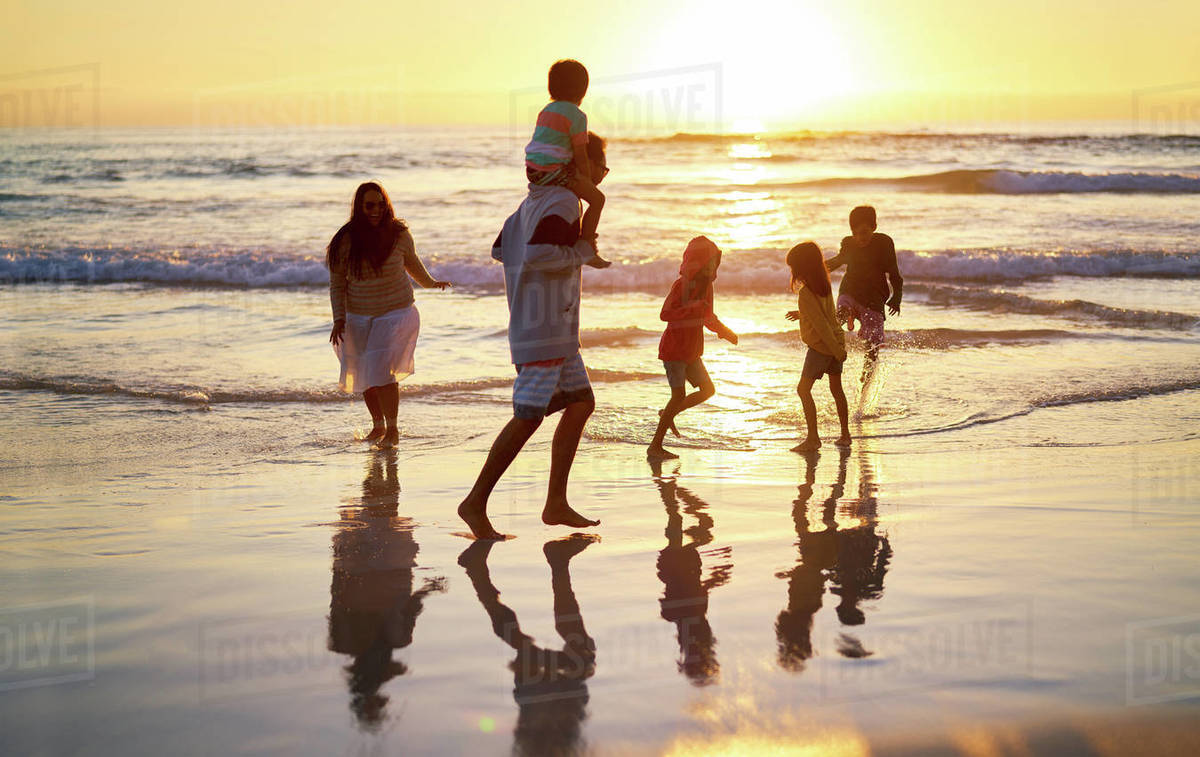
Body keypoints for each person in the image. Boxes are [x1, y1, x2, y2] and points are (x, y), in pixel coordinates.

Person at [456, 134, 612, 540]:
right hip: (544, 331)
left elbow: (500, 250)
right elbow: (540, 253)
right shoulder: (564, 202)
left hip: (551, 330)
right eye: (601, 166)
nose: (603, 174)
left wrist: (562, 254)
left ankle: (555, 502)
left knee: (581, 403)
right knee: (527, 416)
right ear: (581, 167)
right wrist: (580, 252)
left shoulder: (531, 203)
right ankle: (474, 501)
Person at [327, 182, 451, 448]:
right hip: (358, 315)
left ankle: (393, 430)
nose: (376, 210)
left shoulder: (399, 234)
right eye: (369, 205)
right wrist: (339, 319)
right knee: (364, 375)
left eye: (381, 204)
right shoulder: (345, 240)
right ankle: (378, 426)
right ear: (359, 207)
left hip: (394, 313)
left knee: (382, 371)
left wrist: (431, 283)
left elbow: (412, 264)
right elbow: (337, 284)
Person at [646, 236, 738, 460]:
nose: (713, 266)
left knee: (708, 390)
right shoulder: (681, 285)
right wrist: (692, 308)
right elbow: (665, 314)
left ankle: (668, 412)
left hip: (692, 351)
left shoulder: (707, 287)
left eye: (715, 262)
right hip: (674, 350)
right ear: (696, 262)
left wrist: (725, 331)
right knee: (678, 395)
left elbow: (708, 316)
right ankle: (655, 446)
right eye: (709, 261)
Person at [524, 59, 607, 262]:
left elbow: (548, 145)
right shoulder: (577, 116)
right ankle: (587, 244)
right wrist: (585, 178)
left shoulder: (546, 111)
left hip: (533, 171)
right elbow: (580, 153)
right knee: (598, 200)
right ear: (582, 91)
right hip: (552, 171)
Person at [824, 205, 903, 383]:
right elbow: (837, 261)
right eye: (855, 233)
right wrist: (815, 269)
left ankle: (867, 376)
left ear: (874, 227)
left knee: (872, 345)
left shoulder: (884, 243)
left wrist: (896, 297)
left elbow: (894, 274)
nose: (860, 237)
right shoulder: (848, 243)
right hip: (850, 290)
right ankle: (829, 350)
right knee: (840, 315)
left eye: (864, 232)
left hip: (874, 297)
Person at [785, 242, 850, 452]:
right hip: (836, 341)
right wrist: (802, 314)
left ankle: (813, 438)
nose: (792, 271)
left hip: (822, 347)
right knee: (836, 389)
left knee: (803, 390)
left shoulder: (805, 293)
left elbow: (821, 325)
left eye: (793, 267)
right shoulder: (824, 286)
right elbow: (825, 315)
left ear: (801, 267)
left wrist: (836, 352)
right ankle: (845, 435)